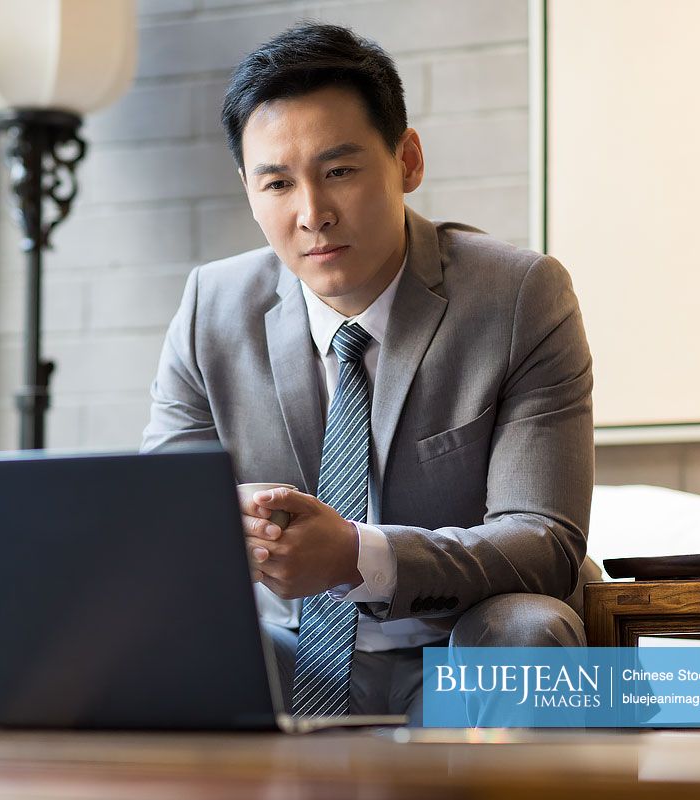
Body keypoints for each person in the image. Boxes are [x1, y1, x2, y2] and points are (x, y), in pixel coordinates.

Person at [140, 23, 600, 723]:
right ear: (246, 188)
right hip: (288, 650)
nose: (312, 214)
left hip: (458, 642)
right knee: (153, 645)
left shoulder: (516, 296)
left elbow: (544, 540)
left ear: (407, 160)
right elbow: (158, 516)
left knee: (528, 632)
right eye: (276, 183)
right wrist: (226, 523)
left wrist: (356, 555)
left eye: (339, 171)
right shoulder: (212, 306)